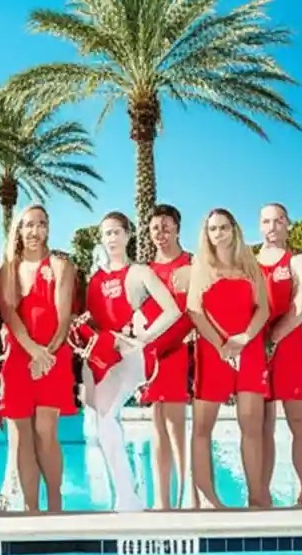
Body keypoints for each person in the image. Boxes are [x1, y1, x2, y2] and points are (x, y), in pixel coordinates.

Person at [75, 212, 182, 512]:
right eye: (106, 234)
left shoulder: (140, 273)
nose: (111, 239)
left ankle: (128, 498)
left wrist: (145, 336)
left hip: (132, 356)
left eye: (116, 232)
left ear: (128, 234)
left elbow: (172, 310)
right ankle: (125, 491)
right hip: (103, 355)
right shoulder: (94, 279)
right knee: (101, 420)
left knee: (107, 416)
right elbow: (94, 319)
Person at [186, 208, 270, 508]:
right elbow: (194, 311)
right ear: (206, 234)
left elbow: (263, 309)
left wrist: (244, 339)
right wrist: (222, 345)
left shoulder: (250, 267)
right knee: (202, 427)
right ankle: (210, 498)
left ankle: (257, 496)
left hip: (249, 351)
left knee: (251, 424)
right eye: (212, 229)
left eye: (223, 227)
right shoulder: (200, 268)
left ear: (234, 229)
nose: (218, 233)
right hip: (213, 353)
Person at [0, 204, 77, 512]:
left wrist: (47, 354)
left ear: (48, 229)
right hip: (19, 359)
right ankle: (31, 507)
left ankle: (55, 504)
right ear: (18, 230)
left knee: (45, 430)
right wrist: (32, 351)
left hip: (52, 357)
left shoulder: (60, 266)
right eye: (28, 225)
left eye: (41, 224)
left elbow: (63, 317)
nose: (34, 231)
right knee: (21, 434)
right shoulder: (6, 271)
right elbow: (9, 315)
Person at [256, 203, 302, 506]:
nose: (273, 226)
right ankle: (262, 495)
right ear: (259, 226)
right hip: (258, 350)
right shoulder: (250, 264)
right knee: (262, 426)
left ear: (288, 224)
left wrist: (276, 335)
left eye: (279, 220)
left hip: (289, 348)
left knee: (299, 423)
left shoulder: (298, 261)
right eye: (266, 221)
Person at [140, 204, 195, 509]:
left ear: (177, 228)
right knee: (158, 427)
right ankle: (162, 501)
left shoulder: (192, 264)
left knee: (176, 426)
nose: (161, 233)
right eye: (155, 228)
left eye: (166, 227)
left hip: (179, 353)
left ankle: (187, 498)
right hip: (153, 356)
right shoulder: (146, 271)